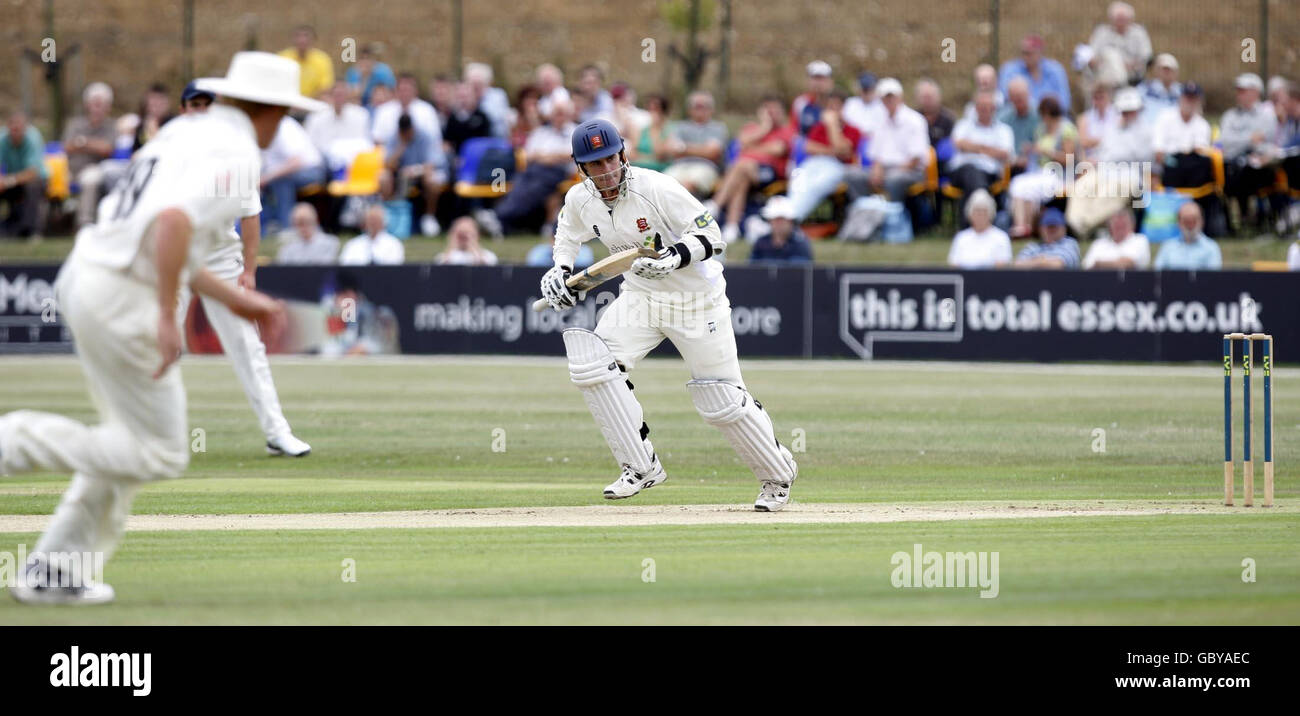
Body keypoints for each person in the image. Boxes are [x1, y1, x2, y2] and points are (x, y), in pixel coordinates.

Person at [0, 51, 308, 606]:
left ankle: (56, 570)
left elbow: (163, 231)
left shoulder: (181, 134)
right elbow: (170, 226)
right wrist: (168, 316)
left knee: (127, 439)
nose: (282, 127)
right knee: (160, 452)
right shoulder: (232, 151)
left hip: (90, 274)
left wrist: (233, 299)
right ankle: (11, 441)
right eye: (283, 114)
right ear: (269, 111)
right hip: (123, 295)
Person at [540, 118, 798, 511]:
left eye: (611, 159)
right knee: (591, 362)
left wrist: (675, 258)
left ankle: (777, 477)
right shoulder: (580, 199)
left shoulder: (657, 187)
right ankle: (640, 466)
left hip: (697, 302)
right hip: (640, 297)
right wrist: (559, 269)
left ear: (624, 154)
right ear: (582, 168)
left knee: (722, 400)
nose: (606, 170)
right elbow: (568, 234)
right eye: (595, 164)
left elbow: (713, 236)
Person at [176, 91, 313, 459]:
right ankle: (143, 435)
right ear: (184, 110)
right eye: (194, 105)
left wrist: (248, 274)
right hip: (171, 257)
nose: (201, 112)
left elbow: (250, 216)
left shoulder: (236, 153)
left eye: (208, 105)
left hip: (221, 257)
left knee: (248, 348)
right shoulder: (172, 151)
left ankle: (277, 433)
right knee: (161, 346)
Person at [709, 96, 794, 243]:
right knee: (741, 180)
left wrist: (752, 148)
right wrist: (765, 127)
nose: (772, 113)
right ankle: (732, 227)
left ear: (782, 112)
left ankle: (715, 205)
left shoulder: (786, 131)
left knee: (742, 164)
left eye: (775, 110)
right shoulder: (752, 128)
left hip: (771, 173)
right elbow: (741, 142)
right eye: (768, 110)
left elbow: (777, 149)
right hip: (747, 172)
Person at [1008, 96, 1078, 237]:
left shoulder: (1066, 129)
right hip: (1041, 171)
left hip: (1059, 175)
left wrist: (1046, 151)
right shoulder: (1041, 130)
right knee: (1020, 186)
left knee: (1021, 186)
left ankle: (1023, 226)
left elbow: (1068, 159)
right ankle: (1024, 226)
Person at [787, 91, 861, 221]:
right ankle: (786, 214)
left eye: (836, 106)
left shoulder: (852, 130)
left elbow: (843, 150)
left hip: (838, 167)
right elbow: (808, 147)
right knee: (798, 180)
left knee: (816, 185)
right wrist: (832, 150)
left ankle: (792, 218)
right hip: (814, 163)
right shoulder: (819, 127)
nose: (832, 111)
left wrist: (833, 125)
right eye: (830, 107)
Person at [1221, 73, 1279, 226]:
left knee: (1250, 170)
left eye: (1244, 91)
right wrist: (1249, 139)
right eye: (1238, 91)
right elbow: (1226, 144)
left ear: (1256, 92)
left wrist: (1240, 142)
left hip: (1259, 168)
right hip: (1233, 165)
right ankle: (1235, 221)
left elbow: (1268, 144)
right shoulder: (1230, 116)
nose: (1239, 95)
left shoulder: (1267, 116)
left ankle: (1261, 217)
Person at [948, 91, 1015, 223]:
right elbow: (958, 143)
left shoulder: (1004, 130)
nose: (984, 110)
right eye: (980, 107)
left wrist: (974, 147)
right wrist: (987, 150)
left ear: (994, 108)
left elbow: (1005, 153)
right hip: (960, 172)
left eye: (987, 107)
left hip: (990, 174)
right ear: (975, 108)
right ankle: (982, 202)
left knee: (974, 180)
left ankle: (969, 222)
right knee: (970, 170)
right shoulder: (963, 124)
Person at [864, 78, 929, 202]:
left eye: (892, 97)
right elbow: (876, 155)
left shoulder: (915, 120)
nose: (889, 101)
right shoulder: (878, 120)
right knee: (854, 176)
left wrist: (886, 173)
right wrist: (877, 170)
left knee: (893, 179)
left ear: (900, 97)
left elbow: (915, 159)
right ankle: (865, 211)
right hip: (886, 170)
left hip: (912, 172)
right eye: (886, 98)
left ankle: (892, 215)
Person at [258, 115, 325, 233]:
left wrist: (266, 178)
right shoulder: (262, 129)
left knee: (281, 181)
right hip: (282, 175)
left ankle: (287, 228)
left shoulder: (284, 126)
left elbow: (296, 162)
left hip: (313, 170)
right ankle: (264, 226)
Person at [63, 82, 117, 228]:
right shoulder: (75, 124)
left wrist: (82, 142)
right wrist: (93, 145)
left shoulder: (111, 126)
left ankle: (84, 223)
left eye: (101, 104)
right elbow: (67, 147)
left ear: (108, 107)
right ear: (87, 105)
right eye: (95, 104)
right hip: (69, 170)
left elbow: (107, 149)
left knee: (90, 179)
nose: (97, 108)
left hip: (96, 170)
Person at [662, 91, 727, 197]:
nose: (700, 110)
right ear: (689, 109)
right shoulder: (680, 126)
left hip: (706, 167)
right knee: (663, 183)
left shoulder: (718, 128)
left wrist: (683, 148)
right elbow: (670, 148)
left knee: (687, 184)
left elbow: (713, 152)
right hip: (679, 166)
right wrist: (703, 149)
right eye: (697, 106)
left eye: (704, 106)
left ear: (711, 109)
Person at [0, 111, 48, 239]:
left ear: (25, 128)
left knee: (33, 186)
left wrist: (7, 181)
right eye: (13, 128)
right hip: (12, 181)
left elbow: (32, 172)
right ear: (8, 127)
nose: (15, 131)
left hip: (36, 180)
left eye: (19, 128)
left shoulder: (33, 137)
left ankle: (32, 231)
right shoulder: (2, 138)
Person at [1087, 2, 1153, 87]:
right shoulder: (1101, 33)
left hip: (1132, 77)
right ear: (1111, 19)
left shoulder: (1139, 33)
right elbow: (1091, 56)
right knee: (1109, 53)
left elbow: (1146, 58)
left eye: (1123, 20)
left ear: (1130, 19)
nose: (1120, 23)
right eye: (1118, 19)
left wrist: (1128, 65)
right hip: (1103, 76)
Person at [999, 34, 1071, 111]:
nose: (1026, 57)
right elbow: (1006, 97)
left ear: (1040, 52)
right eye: (1024, 53)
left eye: (1030, 53)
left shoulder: (1055, 69)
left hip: (1052, 117)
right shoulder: (1009, 70)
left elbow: (1064, 102)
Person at [947, 189, 1011, 269]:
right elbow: (954, 265)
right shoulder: (961, 238)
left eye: (984, 211)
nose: (980, 215)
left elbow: (1002, 265)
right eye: (977, 211)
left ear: (990, 213)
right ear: (970, 214)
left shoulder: (1001, 237)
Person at [1153, 202, 1222, 270]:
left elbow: (1214, 278)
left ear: (1201, 221)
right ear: (1179, 223)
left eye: (1193, 220)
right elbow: (1157, 276)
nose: (1190, 225)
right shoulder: (1167, 247)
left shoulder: (1211, 248)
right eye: (1186, 221)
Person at [749, 196, 813, 263]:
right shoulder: (761, 242)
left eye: (781, 219)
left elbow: (801, 269)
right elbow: (752, 267)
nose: (777, 224)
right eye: (774, 219)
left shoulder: (800, 243)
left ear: (790, 221)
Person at [278, 25, 335, 100]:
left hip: (313, 102)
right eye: (298, 36)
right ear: (292, 39)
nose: (302, 40)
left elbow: (326, 88)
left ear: (313, 40)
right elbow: (277, 84)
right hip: (287, 101)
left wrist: (306, 102)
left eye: (306, 36)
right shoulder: (282, 58)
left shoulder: (323, 59)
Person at [1082, 209, 1150, 269]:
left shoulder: (1140, 240)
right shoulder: (1098, 244)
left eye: (1123, 224)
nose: (1119, 226)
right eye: (1116, 223)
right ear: (1109, 226)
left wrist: (1099, 264)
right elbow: (1087, 267)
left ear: (1132, 225)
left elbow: (1128, 264)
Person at [1013, 208, 1080, 268]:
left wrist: (1037, 261)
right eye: (1048, 226)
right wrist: (1042, 261)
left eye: (1055, 226)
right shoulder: (1033, 247)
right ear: (1040, 228)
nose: (1051, 230)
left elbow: (1057, 265)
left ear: (1064, 228)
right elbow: (1017, 265)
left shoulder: (1070, 244)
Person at [340, 205, 405, 265]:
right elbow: (344, 266)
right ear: (365, 222)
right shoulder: (353, 244)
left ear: (383, 222)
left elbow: (396, 268)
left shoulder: (394, 244)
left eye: (376, 220)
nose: (373, 223)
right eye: (370, 220)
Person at [627, 94, 671, 172]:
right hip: (639, 167)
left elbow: (659, 154)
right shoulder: (642, 130)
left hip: (659, 169)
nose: (652, 112)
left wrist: (656, 128)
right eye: (649, 108)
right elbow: (632, 153)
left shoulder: (668, 130)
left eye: (656, 109)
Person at [344, 43, 396, 109]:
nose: (365, 62)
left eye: (368, 59)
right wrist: (364, 78)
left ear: (373, 60)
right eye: (362, 59)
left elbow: (391, 93)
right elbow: (350, 96)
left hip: (379, 104)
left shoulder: (384, 72)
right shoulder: (352, 73)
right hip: (360, 105)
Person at [791, 61, 833, 135]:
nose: (818, 83)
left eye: (822, 78)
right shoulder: (800, 102)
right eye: (815, 78)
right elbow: (794, 130)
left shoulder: (838, 102)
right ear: (808, 81)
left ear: (830, 81)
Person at [1138, 54, 1182, 124]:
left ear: (1176, 72)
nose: (1166, 73)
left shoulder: (1182, 91)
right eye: (1164, 69)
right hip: (1150, 129)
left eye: (1169, 70)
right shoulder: (1144, 89)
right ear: (1156, 71)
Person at [525, 234, 594, 268]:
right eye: (557, 239)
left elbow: (583, 270)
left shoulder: (584, 252)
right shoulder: (538, 252)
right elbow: (533, 271)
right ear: (551, 239)